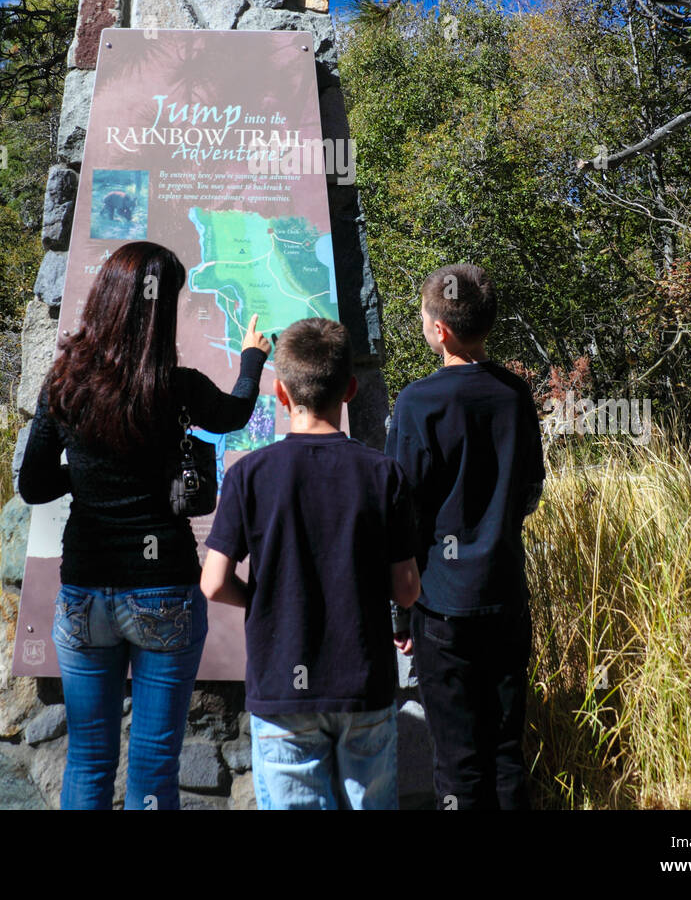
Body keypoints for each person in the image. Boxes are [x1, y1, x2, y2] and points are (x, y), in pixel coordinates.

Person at [18, 240, 270, 810]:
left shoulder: (65, 381)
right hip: (164, 596)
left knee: (87, 759)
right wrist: (251, 356)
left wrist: (84, 477)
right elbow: (234, 412)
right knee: (154, 762)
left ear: (106, 298)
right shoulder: (176, 387)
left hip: (85, 593)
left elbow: (33, 484)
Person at [201, 317, 420, 810]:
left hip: (283, 689)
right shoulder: (384, 475)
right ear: (351, 389)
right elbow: (406, 588)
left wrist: (260, 600)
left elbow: (213, 583)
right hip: (363, 683)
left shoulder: (249, 476)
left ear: (280, 392)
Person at [385, 263, 545, 811]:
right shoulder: (516, 396)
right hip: (505, 596)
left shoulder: (418, 403)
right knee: (506, 753)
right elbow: (530, 492)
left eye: (426, 317)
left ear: (441, 330)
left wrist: (401, 613)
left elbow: (399, 515)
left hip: (443, 604)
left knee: (457, 764)